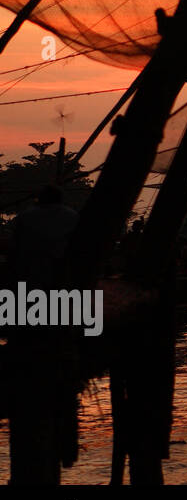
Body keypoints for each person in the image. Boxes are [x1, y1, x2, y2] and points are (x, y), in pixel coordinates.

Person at [4, 185, 80, 484]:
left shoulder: (25, 217)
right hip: (62, 294)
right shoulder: (73, 217)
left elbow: (14, 253)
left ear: (39, 199)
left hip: (29, 293)